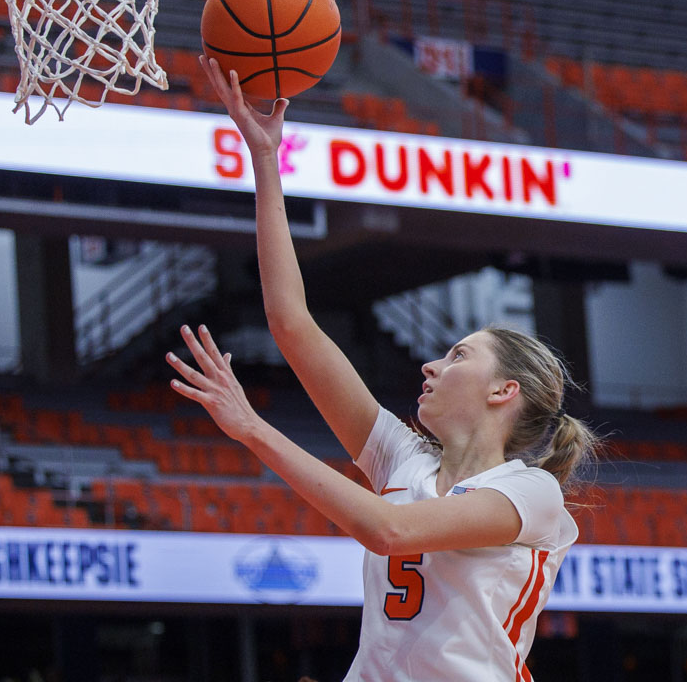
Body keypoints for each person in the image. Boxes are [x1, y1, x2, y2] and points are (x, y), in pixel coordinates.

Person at [166, 57, 600, 682]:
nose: (431, 364)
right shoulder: (404, 459)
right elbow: (289, 321)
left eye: (458, 356)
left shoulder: (531, 492)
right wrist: (264, 159)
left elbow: (390, 530)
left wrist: (254, 429)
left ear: (506, 391)